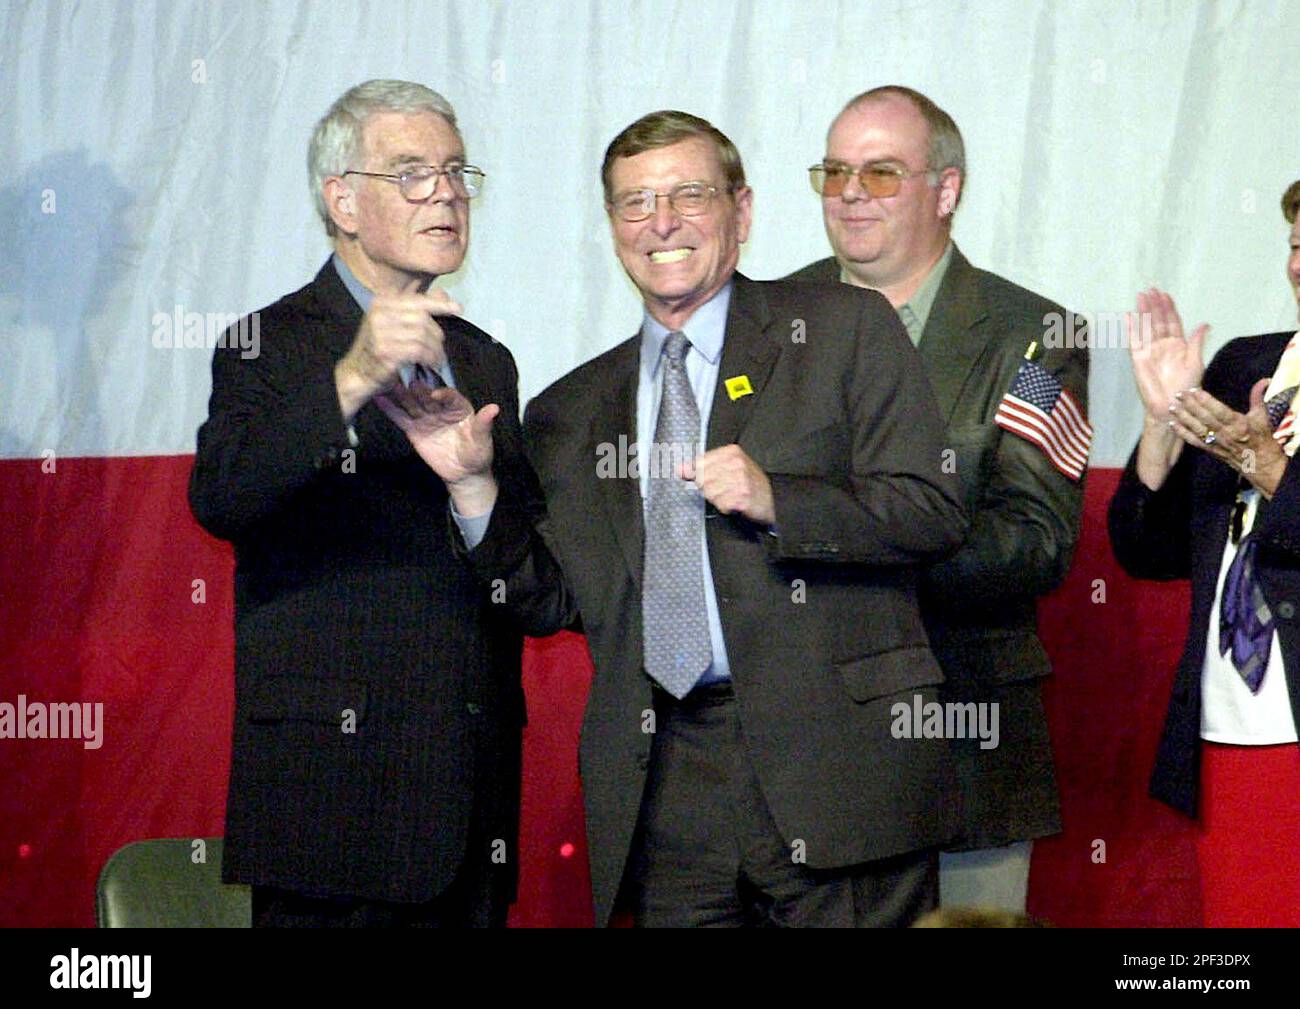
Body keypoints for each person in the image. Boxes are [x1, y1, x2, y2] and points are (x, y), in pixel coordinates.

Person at [413, 109, 968, 927]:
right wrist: (471, 489)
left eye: (689, 195)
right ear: (612, 227)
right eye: (635, 203)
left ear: (741, 213)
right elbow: (555, 599)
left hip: (835, 767)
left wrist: (782, 500)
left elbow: (934, 510)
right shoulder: (572, 410)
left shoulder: (846, 330)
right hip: (664, 787)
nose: (661, 222)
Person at [189, 79, 546, 927]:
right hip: (333, 817)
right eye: (414, 172)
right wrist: (352, 376)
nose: (449, 194)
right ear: (343, 201)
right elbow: (223, 494)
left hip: (470, 811)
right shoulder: (268, 342)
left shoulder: (484, 360)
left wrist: (474, 490)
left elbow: (525, 568)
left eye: (458, 172)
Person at [787, 86, 1091, 913]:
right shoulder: (770, 320)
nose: (849, 192)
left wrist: (862, 545)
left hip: (965, 741)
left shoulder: (1034, 338)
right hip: (799, 755)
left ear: (946, 190)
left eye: (882, 173)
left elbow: (1035, 541)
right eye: (835, 171)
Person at [1108, 181, 1300, 926]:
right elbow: (1149, 550)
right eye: (1294, 246)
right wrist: (1162, 425)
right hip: (1230, 724)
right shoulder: (1243, 367)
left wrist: (1273, 472)